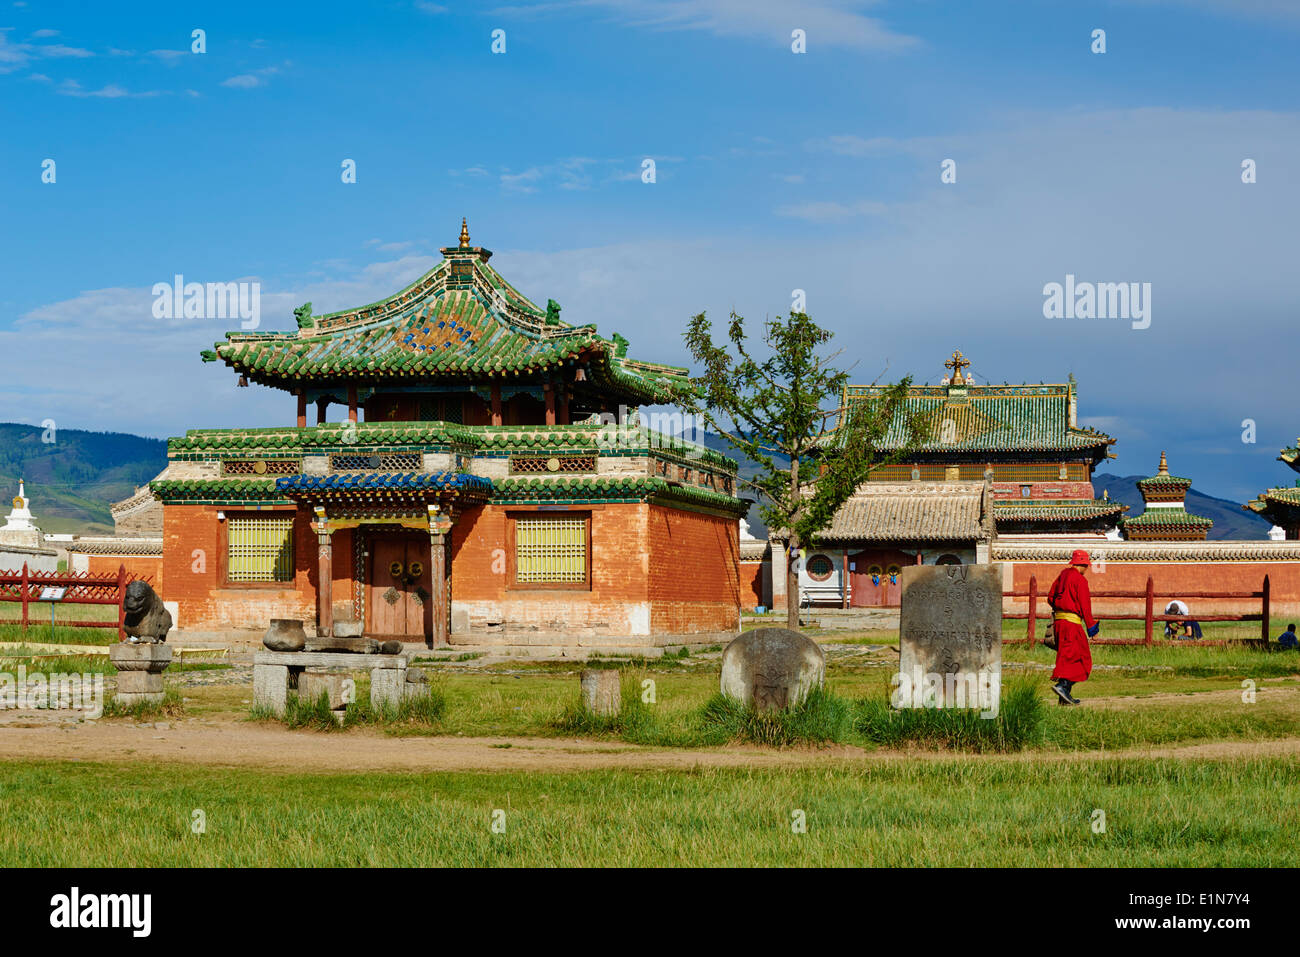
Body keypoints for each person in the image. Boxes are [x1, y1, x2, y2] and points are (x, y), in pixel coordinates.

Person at [1047, 549, 1100, 705]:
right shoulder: (1080, 580)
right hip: (1072, 625)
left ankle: (1063, 699)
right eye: (1087, 565)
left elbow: (1051, 597)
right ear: (1083, 564)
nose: (1087, 569)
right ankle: (1063, 686)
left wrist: (1060, 608)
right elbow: (1085, 607)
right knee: (1083, 659)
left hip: (1059, 623)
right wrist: (1092, 629)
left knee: (1067, 658)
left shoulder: (1063, 575)